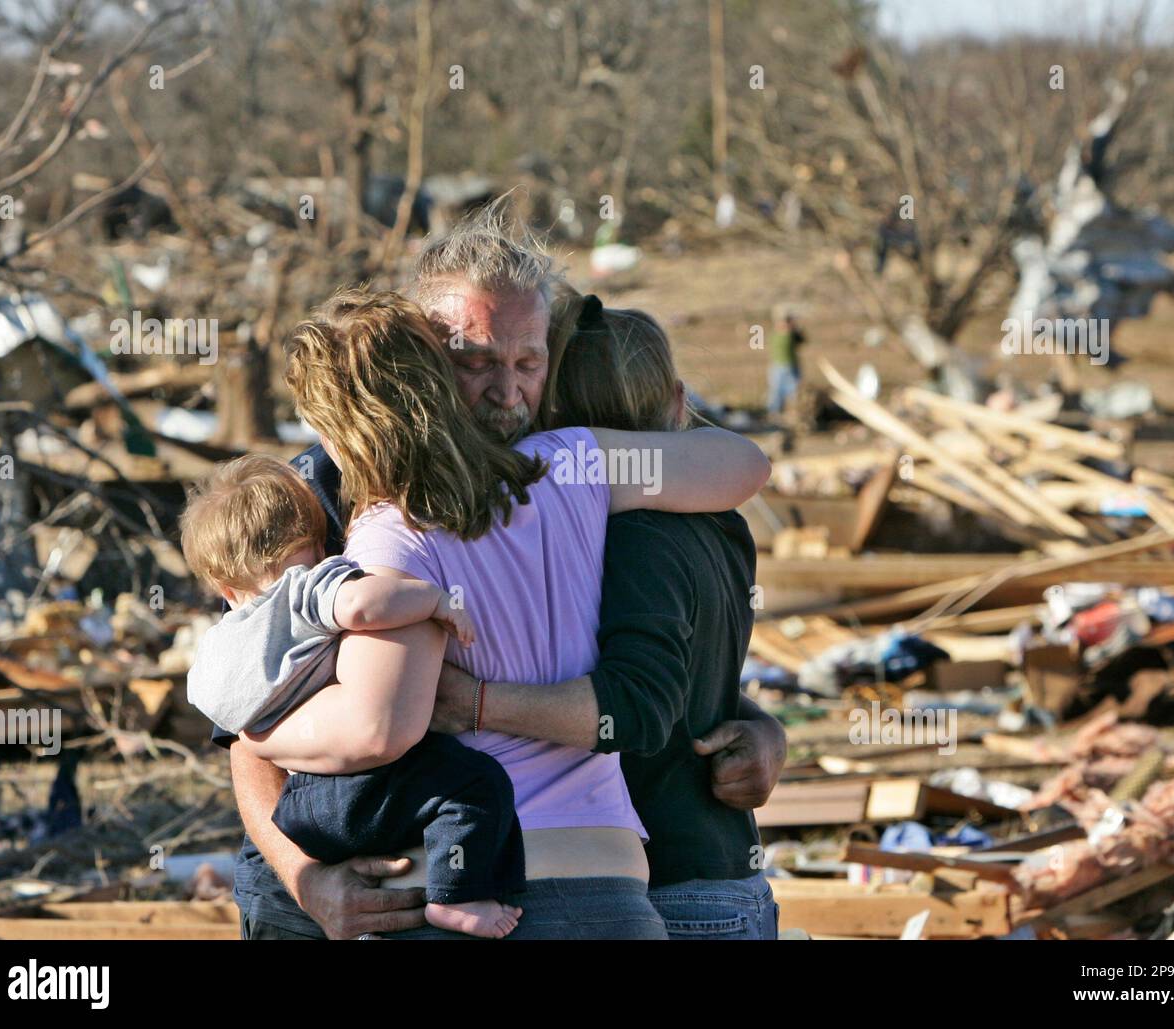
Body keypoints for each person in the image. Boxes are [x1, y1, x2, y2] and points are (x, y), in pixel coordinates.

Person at [217, 204, 784, 940]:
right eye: (476, 361)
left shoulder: (563, 466)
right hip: (375, 885)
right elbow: (245, 715)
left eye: (528, 361)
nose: (507, 392)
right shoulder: (331, 497)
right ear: (421, 355)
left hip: (550, 885)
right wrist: (305, 877)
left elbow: (738, 472)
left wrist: (751, 719)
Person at [432, 295, 786, 939]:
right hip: (723, 872)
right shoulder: (722, 521)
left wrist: (474, 704)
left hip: (671, 890)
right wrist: (762, 724)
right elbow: (695, 672)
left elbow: (640, 701)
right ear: (677, 404)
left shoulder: (623, 537)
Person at [181, 455, 522, 938]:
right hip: (358, 792)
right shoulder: (306, 588)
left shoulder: (220, 644)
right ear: (318, 546)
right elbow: (363, 605)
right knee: (473, 786)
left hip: (298, 809)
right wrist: (434, 601)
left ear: (223, 585)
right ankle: (457, 897)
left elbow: (223, 716)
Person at [767, 304, 806, 416]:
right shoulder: (780, 335)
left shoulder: (789, 334)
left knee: (795, 392)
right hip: (780, 366)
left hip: (790, 366)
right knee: (777, 393)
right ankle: (774, 413)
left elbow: (802, 340)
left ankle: (795, 412)